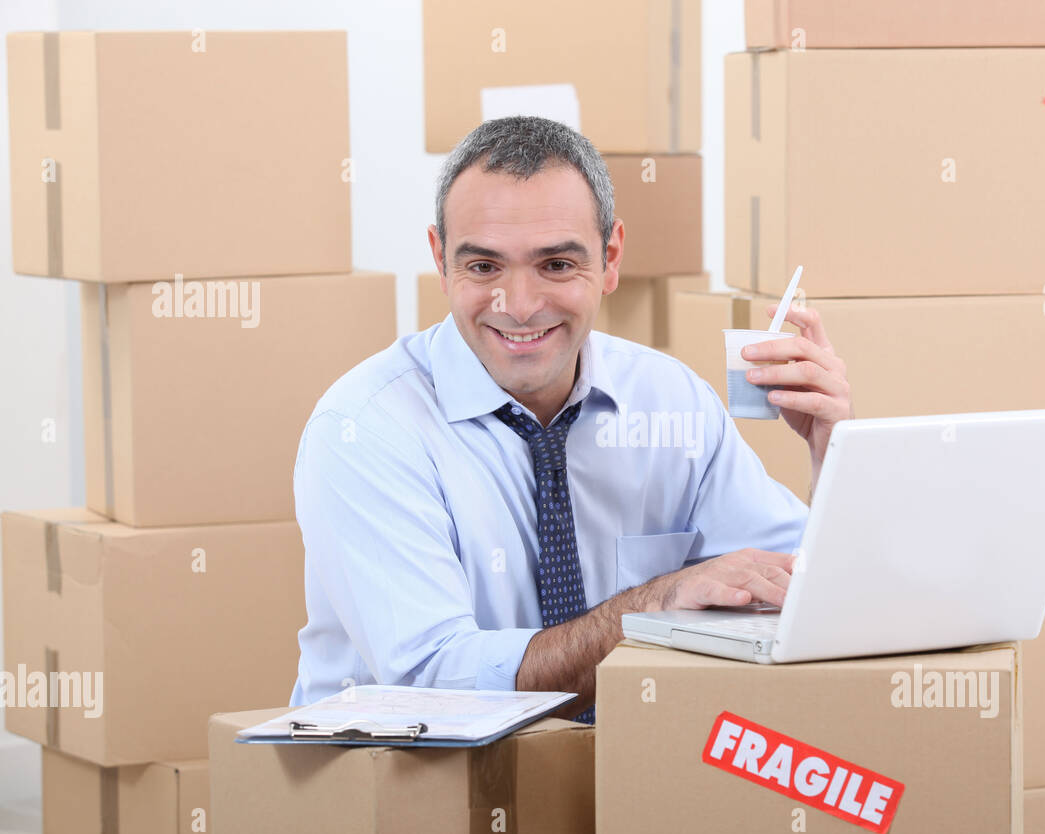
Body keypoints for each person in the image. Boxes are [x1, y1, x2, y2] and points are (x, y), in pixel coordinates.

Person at [289, 116, 853, 721]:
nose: (519, 305)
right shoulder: (366, 428)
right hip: (413, 771)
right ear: (440, 259)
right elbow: (436, 683)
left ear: (610, 258)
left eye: (556, 265)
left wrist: (835, 460)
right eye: (484, 267)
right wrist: (655, 603)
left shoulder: (671, 401)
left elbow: (808, 591)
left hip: (619, 764)